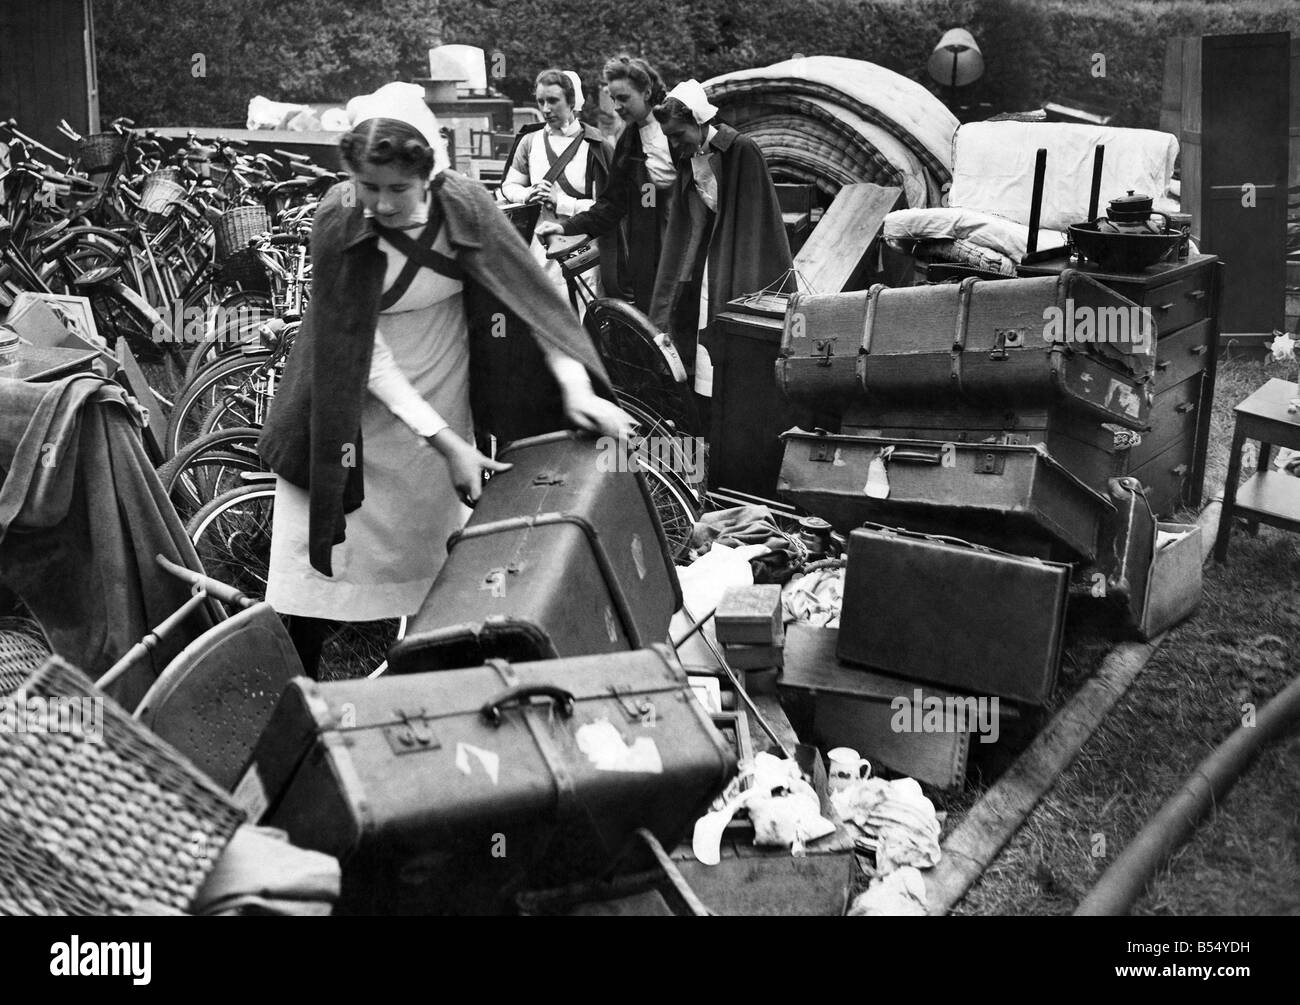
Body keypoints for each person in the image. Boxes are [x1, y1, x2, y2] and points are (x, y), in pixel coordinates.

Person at [258, 82, 631, 678]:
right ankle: (297, 704)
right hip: (343, 401)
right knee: (314, 569)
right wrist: (448, 444)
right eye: (368, 187)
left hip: (437, 384)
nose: (379, 204)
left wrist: (576, 388)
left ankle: (431, 695)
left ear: (430, 177)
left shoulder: (466, 205)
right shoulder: (339, 219)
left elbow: (533, 300)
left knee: (437, 571)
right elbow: (364, 353)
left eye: (397, 190)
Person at [646, 79, 792, 417]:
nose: (673, 143)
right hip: (706, 254)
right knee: (694, 327)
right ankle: (706, 412)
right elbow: (688, 219)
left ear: (698, 122)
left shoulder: (742, 150)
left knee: (729, 327)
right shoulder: (688, 156)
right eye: (668, 137)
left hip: (734, 252)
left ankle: (735, 412)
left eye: (678, 134)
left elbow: (755, 223)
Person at [535, 55, 676, 314]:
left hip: (683, 247)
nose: (617, 106)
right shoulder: (628, 140)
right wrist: (565, 227)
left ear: (646, 92)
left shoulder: (676, 130)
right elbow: (611, 205)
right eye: (613, 99)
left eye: (623, 98)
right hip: (647, 252)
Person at [499, 69, 612, 309]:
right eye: (541, 101)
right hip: (542, 245)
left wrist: (561, 201)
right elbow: (509, 186)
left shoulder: (595, 146)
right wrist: (528, 193)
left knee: (584, 314)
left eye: (553, 100)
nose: (546, 108)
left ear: (571, 102)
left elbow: (607, 207)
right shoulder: (529, 141)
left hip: (584, 246)